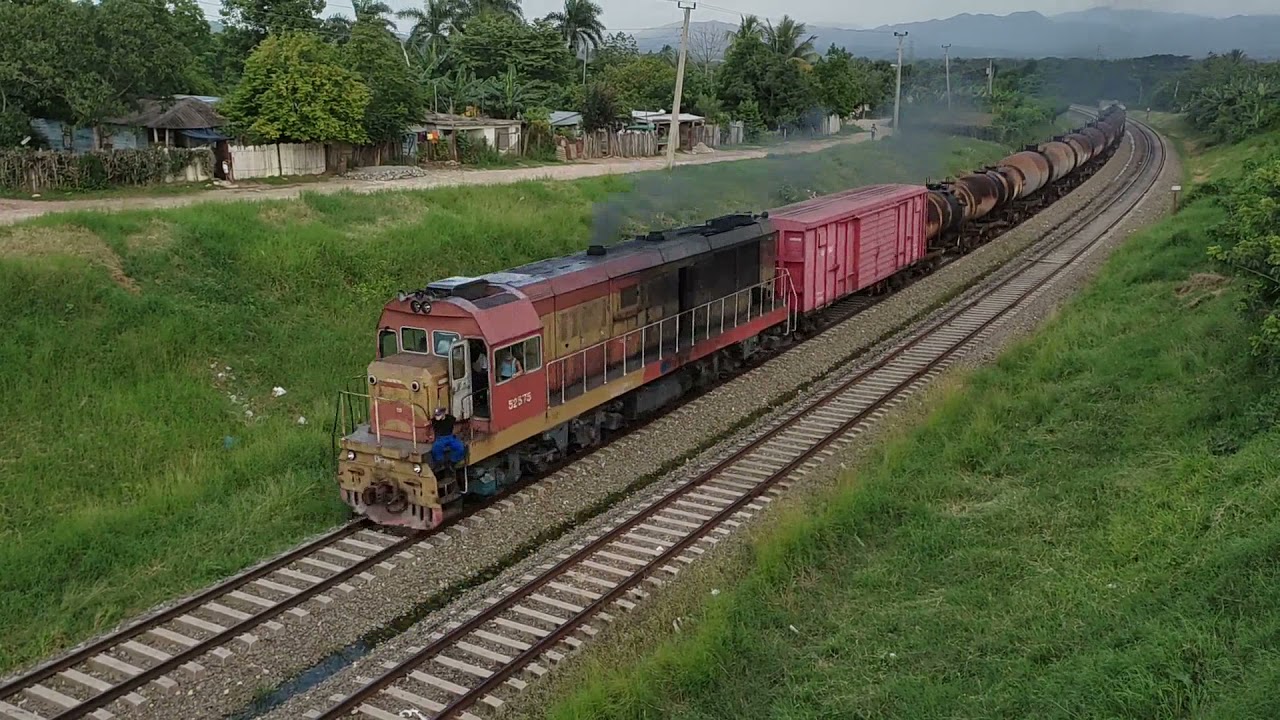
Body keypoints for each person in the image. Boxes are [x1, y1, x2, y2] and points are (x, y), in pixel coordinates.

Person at [430, 407, 465, 472]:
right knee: (436, 448)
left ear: (443, 414)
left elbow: (457, 419)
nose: (437, 417)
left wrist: (462, 414)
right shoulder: (434, 420)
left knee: (460, 447)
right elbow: (428, 423)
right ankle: (440, 463)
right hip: (440, 438)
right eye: (436, 415)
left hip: (450, 437)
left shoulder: (450, 418)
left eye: (438, 415)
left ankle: (452, 463)